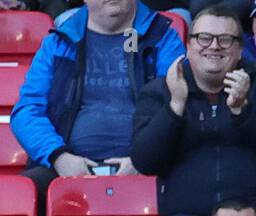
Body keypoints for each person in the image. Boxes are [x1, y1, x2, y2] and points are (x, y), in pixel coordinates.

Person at [131, 4, 256, 216]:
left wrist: (243, 112)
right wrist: (175, 108)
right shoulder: (162, 89)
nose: (214, 46)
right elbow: (145, 161)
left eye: (225, 40)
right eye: (204, 38)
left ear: (240, 49)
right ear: (189, 46)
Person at [12, 0, 185, 196]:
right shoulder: (59, 42)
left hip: (147, 166)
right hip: (66, 165)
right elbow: (26, 111)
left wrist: (144, 160)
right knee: (17, 195)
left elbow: (176, 107)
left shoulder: (162, 37)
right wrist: (58, 157)